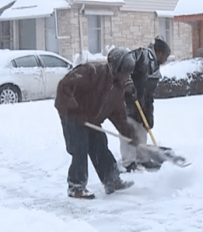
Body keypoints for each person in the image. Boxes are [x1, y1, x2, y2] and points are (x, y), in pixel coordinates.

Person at [54, 47, 139, 199]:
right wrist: (73, 109)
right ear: (116, 68)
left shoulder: (118, 89)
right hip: (72, 115)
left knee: (100, 144)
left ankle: (111, 180)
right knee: (80, 148)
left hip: (91, 119)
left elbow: (119, 116)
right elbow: (64, 87)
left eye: (129, 72)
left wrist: (129, 134)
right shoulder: (91, 72)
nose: (127, 76)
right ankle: (76, 187)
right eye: (125, 72)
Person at [120, 37, 172, 172]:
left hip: (140, 104)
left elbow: (150, 95)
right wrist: (128, 85)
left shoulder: (155, 69)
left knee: (142, 129)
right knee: (128, 130)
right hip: (126, 100)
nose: (166, 60)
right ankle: (128, 162)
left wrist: (149, 115)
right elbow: (124, 67)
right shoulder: (142, 55)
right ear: (159, 52)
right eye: (166, 56)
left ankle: (143, 158)